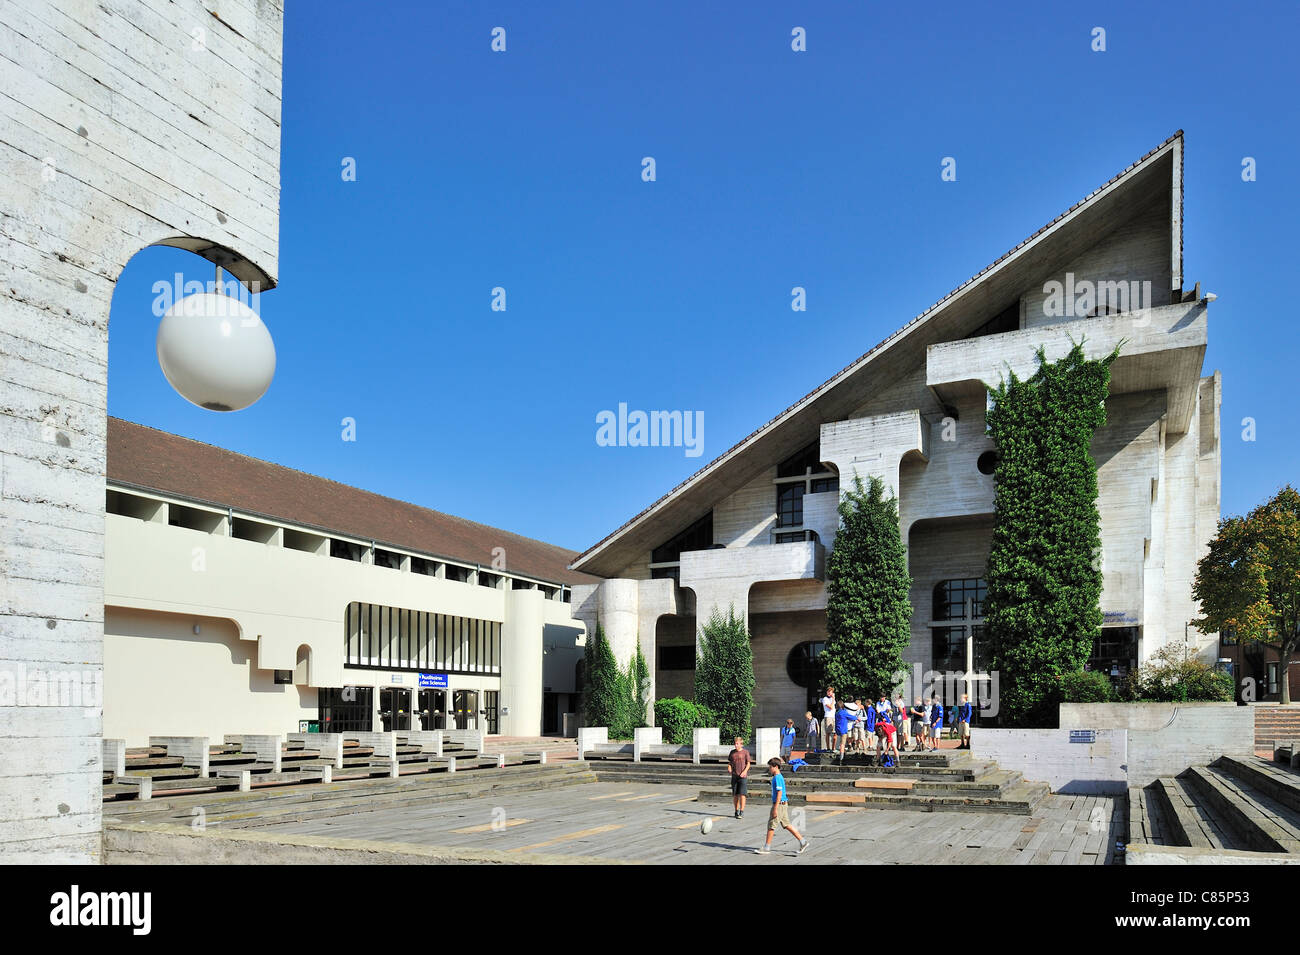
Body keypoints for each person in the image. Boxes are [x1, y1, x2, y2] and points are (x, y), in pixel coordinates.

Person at [756, 757, 808, 855]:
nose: (769, 769)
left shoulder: (777, 777)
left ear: (775, 767)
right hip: (783, 804)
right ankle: (803, 842)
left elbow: (779, 793)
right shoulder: (778, 777)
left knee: (771, 825)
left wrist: (775, 808)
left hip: (779, 804)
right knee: (787, 825)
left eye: (770, 767)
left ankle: (767, 847)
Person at [728, 736, 752, 818]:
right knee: (735, 794)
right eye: (735, 743)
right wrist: (729, 767)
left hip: (743, 776)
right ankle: (736, 810)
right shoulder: (732, 752)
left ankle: (742, 811)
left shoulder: (745, 752)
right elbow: (730, 762)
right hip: (734, 775)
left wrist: (744, 771)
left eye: (737, 744)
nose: (736, 745)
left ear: (741, 744)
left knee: (742, 794)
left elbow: (748, 764)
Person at [820, 686, 837, 751]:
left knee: (835, 733)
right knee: (828, 733)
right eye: (828, 691)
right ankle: (828, 748)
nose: (829, 693)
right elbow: (830, 707)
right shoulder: (825, 699)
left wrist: (833, 699)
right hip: (828, 716)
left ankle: (833, 748)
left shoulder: (833, 699)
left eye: (831, 692)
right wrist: (833, 699)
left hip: (833, 716)